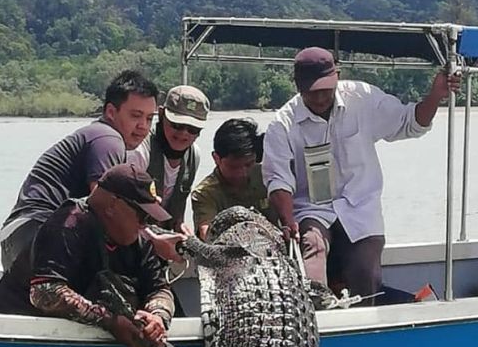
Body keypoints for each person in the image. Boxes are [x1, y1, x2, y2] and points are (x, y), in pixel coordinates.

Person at [262, 47, 460, 304]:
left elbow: (411, 123)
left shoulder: (362, 98)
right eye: (312, 92)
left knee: (366, 272)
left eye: (326, 90)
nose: (321, 98)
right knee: (313, 248)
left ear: (338, 76)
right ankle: (317, 320)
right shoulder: (282, 124)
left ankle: (364, 327)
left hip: (361, 207)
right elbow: (278, 181)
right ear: (298, 87)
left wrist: (436, 95)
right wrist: (289, 222)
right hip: (312, 209)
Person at [0, 162, 180, 347]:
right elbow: (45, 292)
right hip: (14, 331)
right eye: (143, 216)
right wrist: (110, 321)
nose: (145, 225)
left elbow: (159, 288)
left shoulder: (139, 239)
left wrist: (158, 318)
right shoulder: (68, 224)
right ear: (113, 205)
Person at [0, 70, 159, 274]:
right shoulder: (108, 139)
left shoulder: (97, 135)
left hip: (19, 235)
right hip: (37, 230)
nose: (143, 127)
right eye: (136, 116)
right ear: (110, 112)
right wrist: (153, 239)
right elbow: (107, 209)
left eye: (150, 118)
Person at [129, 84, 208, 236]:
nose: (184, 134)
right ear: (161, 114)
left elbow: (179, 207)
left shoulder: (194, 156)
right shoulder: (140, 151)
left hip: (163, 238)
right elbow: (122, 212)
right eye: (177, 125)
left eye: (193, 129)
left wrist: (180, 226)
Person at [190, 117, 280, 240]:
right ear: (216, 158)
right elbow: (207, 233)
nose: (242, 173)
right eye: (234, 167)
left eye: (249, 164)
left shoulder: (267, 174)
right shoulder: (205, 194)